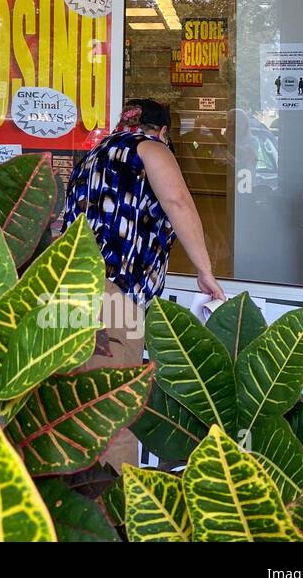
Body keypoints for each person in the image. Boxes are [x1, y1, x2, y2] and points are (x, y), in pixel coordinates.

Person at [62, 98, 226, 467]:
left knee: (73, 407)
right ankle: (118, 514)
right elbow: (177, 202)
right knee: (114, 414)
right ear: (164, 130)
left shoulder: (95, 152)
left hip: (68, 289)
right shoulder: (150, 147)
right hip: (112, 297)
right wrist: (205, 270)